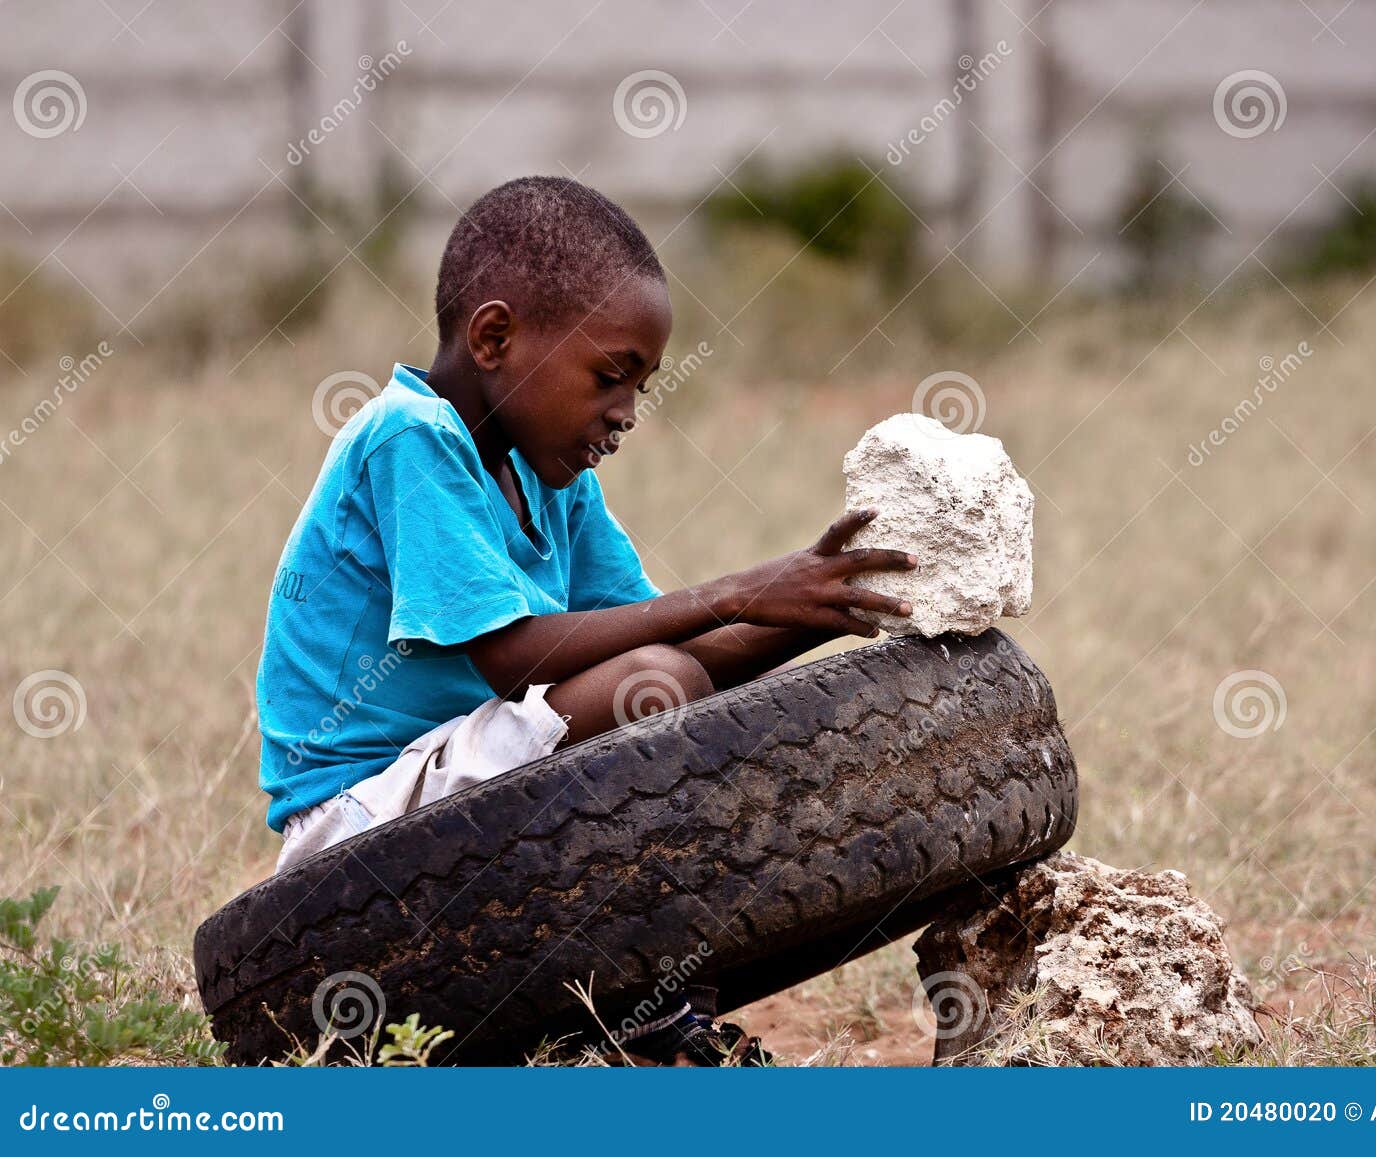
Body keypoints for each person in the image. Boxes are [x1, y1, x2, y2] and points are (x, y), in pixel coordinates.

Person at [253, 176, 916, 1063]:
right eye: (611, 375)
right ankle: (651, 1018)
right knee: (654, 684)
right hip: (352, 834)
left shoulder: (548, 476)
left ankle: (646, 1011)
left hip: (460, 794)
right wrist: (737, 590)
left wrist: (827, 605)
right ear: (494, 338)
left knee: (666, 685)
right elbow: (510, 656)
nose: (626, 413)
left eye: (640, 385)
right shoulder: (410, 435)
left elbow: (680, 646)